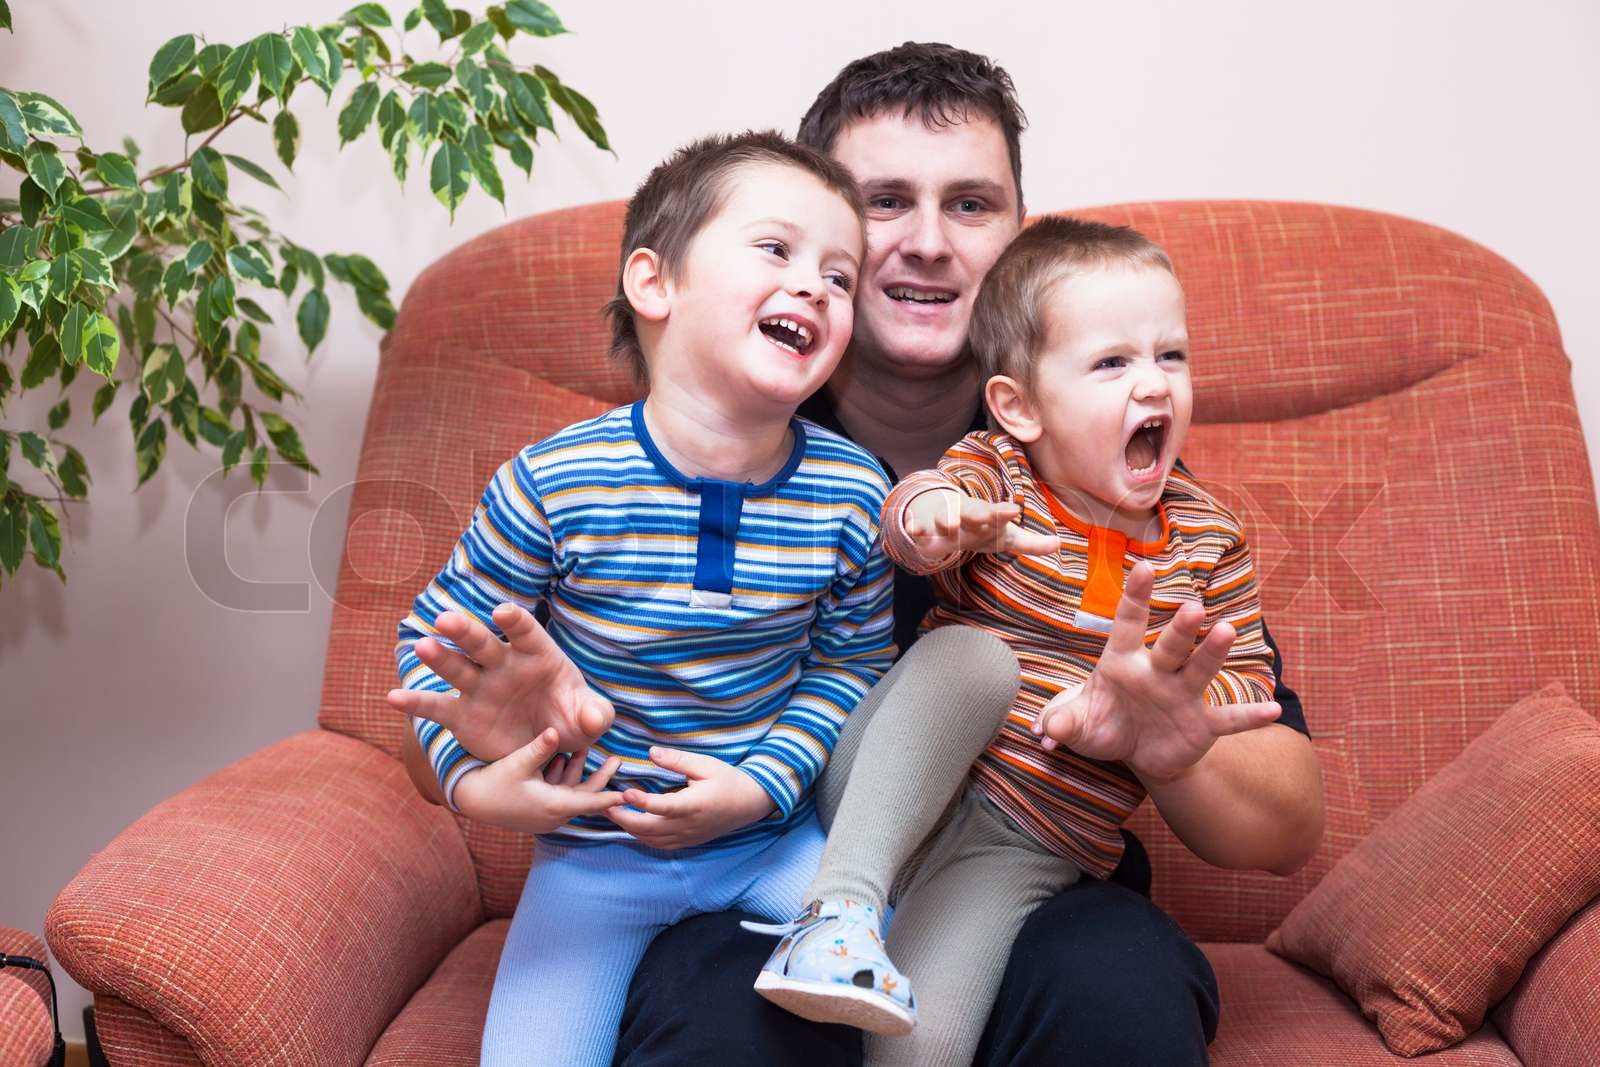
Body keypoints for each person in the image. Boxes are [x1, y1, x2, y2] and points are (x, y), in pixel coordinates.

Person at [399, 42, 1325, 1066]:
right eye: (884, 201)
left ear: (1018, 237)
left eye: (970, 205)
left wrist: (1169, 741)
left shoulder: (1111, 464)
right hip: (749, 865)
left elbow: (1283, 823)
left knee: (1121, 990)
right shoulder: (669, 456)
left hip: (1028, 868)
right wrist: (504, 738)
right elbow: (435, 693)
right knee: (728, 1022)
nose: (926, 242)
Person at [388, 131, 899, 1067]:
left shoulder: (855, 492)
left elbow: (855, 665)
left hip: (773, 841)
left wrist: (759, 786)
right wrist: (477, 780)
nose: (816, 288)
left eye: (840, 275)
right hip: (594, 862)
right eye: (777, 250)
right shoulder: (554, 482)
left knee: (900, 985)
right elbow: (430, 644)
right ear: (654, 285)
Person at [743, 217, 1283, 1067]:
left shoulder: (1208, 539)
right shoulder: (1002, 477)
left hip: (1027, 844)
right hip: (894, 780)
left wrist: (1170, 711)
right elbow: (924, 500)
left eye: (1171, 356)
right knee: (976, 655)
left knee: (923, 1042)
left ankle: (868, 958)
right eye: (1113, 362)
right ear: (1018, 406)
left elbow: (1244, 690)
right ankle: (838, 905)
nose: (1154, 385)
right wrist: (935, 522)